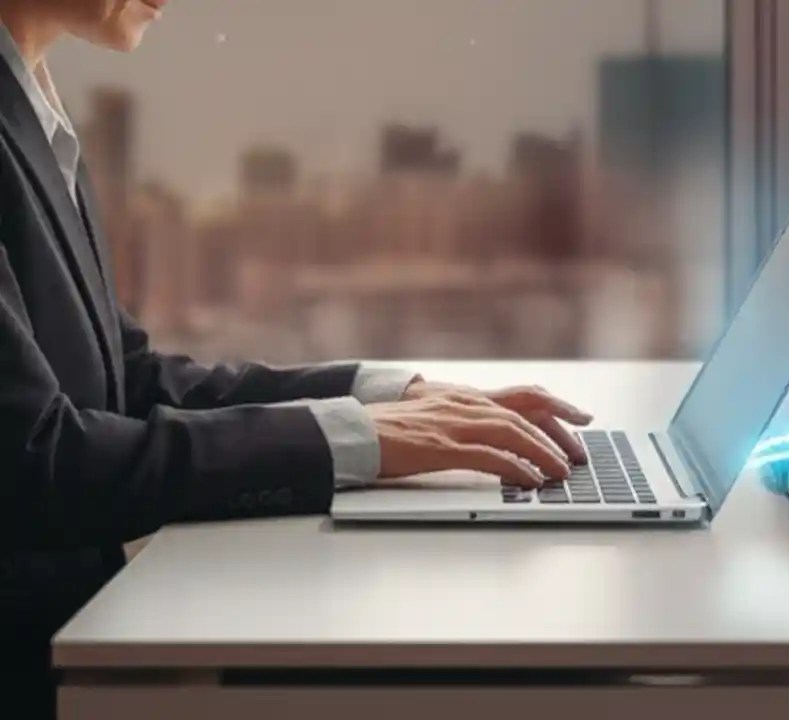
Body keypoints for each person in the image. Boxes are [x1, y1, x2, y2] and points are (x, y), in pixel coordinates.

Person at [0, 1, 593, 715]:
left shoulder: (31, 108)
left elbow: (125, 382)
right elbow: (36, 462)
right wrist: (356, 441)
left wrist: (383, 396)